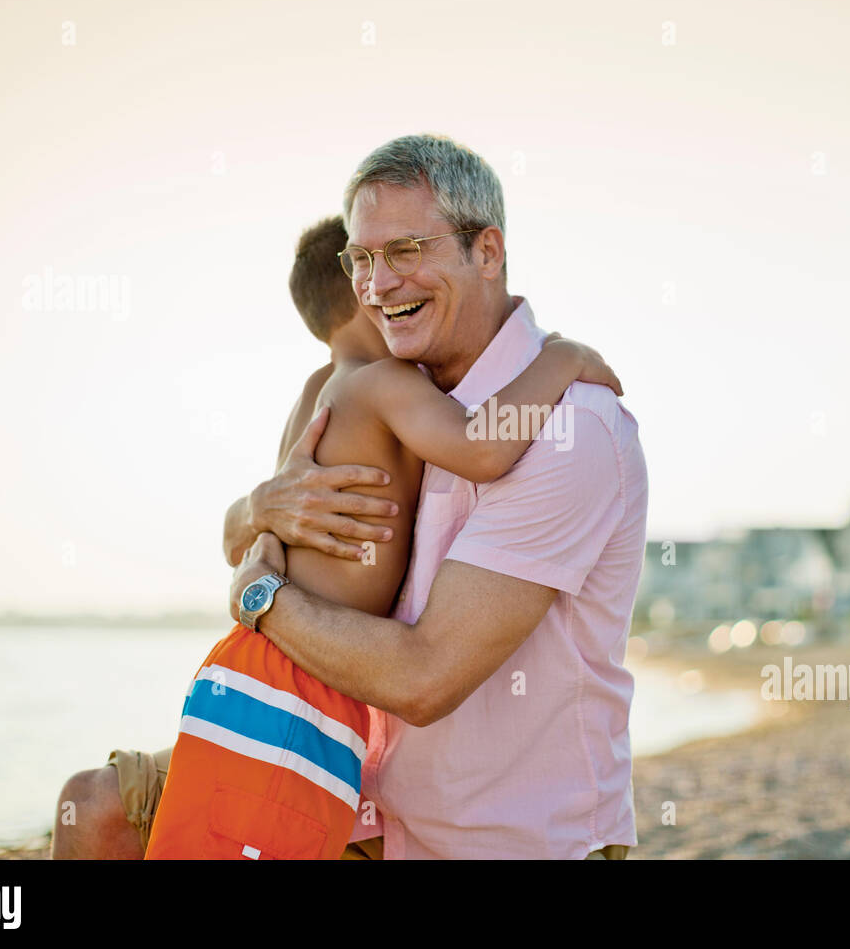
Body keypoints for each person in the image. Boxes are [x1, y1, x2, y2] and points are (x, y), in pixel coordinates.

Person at [142, 214, 620, 859]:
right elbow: (481, 449)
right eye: (380, 276)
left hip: (254, 659)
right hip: (304, 677)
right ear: (367, 298)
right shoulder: (385, 384)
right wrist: (565, 359)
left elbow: (254, 536)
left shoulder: (318, 391)